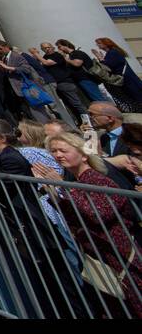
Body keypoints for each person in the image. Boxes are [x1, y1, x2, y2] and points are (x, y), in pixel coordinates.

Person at [41, 133, 142, 318]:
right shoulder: (78, 181)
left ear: (84, 154)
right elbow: (77, 217)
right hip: (100, 254)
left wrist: (64, 187)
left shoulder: (98, 179)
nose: (58, 155)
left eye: (63, 150)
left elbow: (97, 214)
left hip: (118, 252)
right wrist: (56, 196)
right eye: (54, 151)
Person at [87, 103, 136, 190]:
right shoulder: (103, 138)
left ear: (110, 118)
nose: (90, 118)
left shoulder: (133, 134)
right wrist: (89, 134)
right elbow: (92, 160)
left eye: (93, 115)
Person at [94, 37, 142, 109]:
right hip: (125, 77)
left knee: (136, 93)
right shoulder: (111, 52)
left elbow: (109, 66)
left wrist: (100, 58)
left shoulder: (113, 52)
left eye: (99, 43)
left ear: (106, 44)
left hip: (127, 78)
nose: (98, 45)